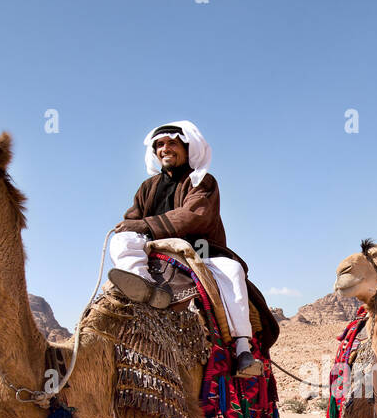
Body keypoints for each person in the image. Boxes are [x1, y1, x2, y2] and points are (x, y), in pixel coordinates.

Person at [108, 120, 262, 377]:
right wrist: (130, 226)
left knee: (231, 271)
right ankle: (144, 287)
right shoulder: (147, 188)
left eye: (171, 143)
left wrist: (142, 224)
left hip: (200, 250)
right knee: (120, 240)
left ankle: (242, 348)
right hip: (156, 249)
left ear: (187, 148)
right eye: (159, 145)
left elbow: (194, 216)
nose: (164, 149)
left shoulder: (202, 181)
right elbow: (132, 220)